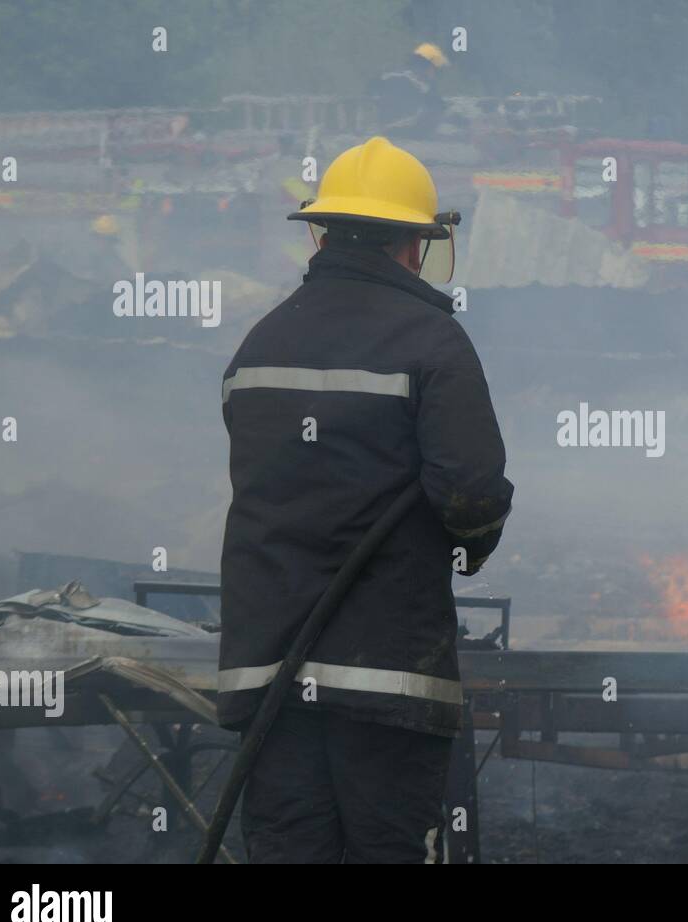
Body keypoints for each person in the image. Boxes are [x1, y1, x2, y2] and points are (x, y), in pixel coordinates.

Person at [217, 136, 513, 863]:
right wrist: (471, 546)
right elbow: (471, 492)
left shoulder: (258, 345)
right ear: (413, 246)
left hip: (269, 677)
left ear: (321, 233)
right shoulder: (432, 341)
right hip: (388, 679)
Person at [368, 42, 449, 137]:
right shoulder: (417, 84)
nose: (435, 74)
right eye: (435, 69)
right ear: (426, 66)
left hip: (386, 126)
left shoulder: (393, 75)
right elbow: (439, 107)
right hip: (398, 129)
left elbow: (372, 90)